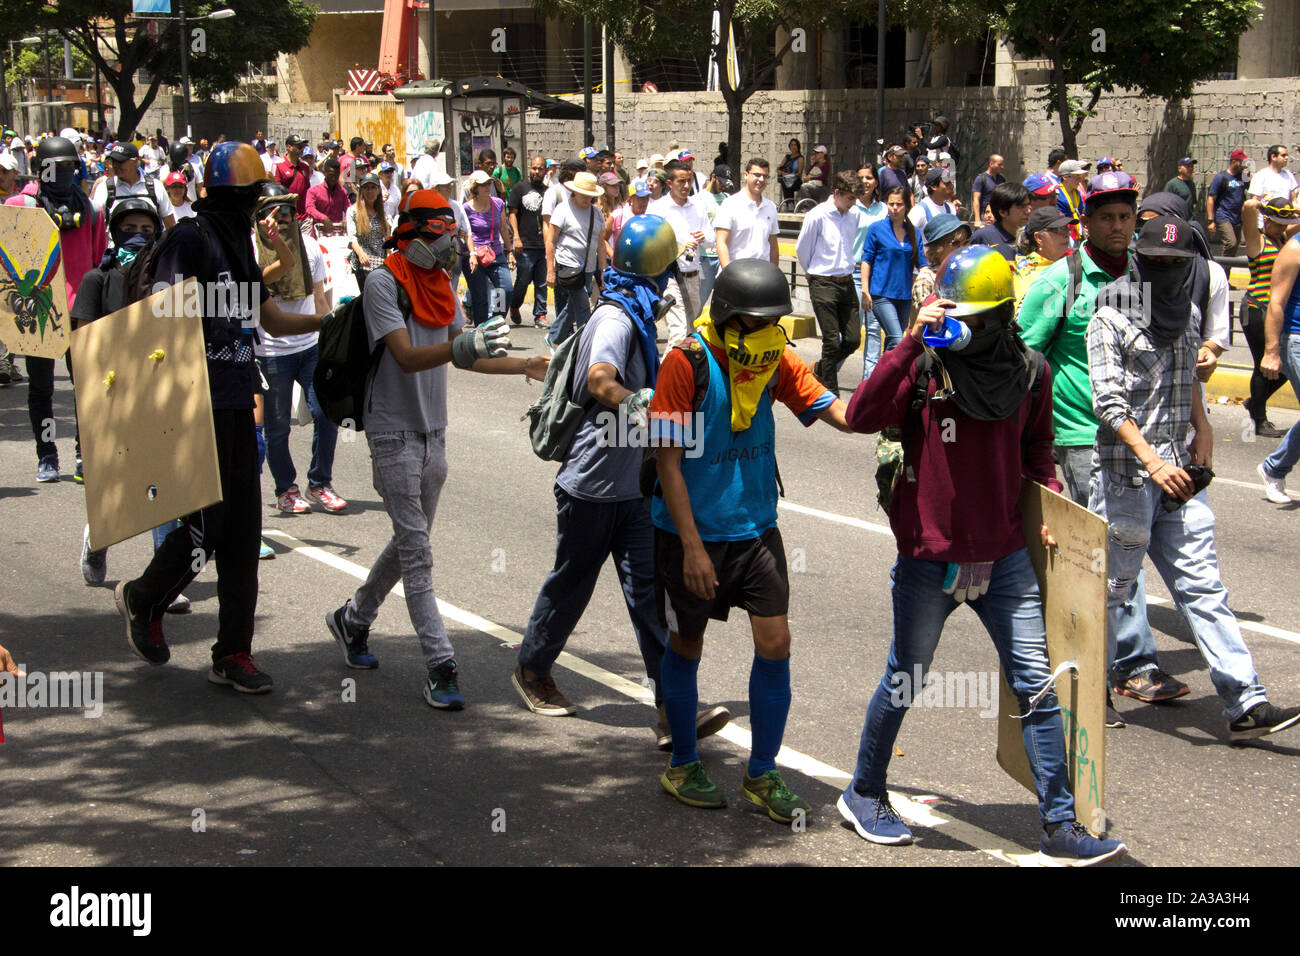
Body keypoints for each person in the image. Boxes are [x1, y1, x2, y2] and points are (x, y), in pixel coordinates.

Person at [837, 244, 1127, 865]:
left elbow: (1038, 456)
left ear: (999, 316)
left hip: (1005, 560)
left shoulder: (1030, 373)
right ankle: (863, 792)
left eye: (970, 315)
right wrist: (911, 341)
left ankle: (1060, 824)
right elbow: (860, 416)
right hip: (929, 558)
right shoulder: (926, 365)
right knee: (906, 678)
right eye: (949, 313)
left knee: (1037, 685)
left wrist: (1047, 505)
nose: (957, 327)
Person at [113, 142, 333, 692]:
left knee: (242, 532)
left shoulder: (239, 243)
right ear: (223, 196)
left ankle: (234, 652)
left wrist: (332, 322)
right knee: (207, 524)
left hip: (237, 398)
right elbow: (158, 318)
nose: (252, 205)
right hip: (193, 402)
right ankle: (144, 596)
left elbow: (273, 323)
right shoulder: (189, 239)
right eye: (246, 196)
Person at [514, 213, 732, 748]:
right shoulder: (614, 319)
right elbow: (598, 379)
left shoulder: (636, 310)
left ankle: (670, 710)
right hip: (591, 485)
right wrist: (633, 400)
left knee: (649, 599)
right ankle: (532, 667)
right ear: (656, 270)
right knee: (572, 584)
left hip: (635, 489)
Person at [324, 189, 547, 707]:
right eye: (441, 233)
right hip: (391, 431)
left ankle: (353, 618)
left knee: (411, 543)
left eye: (453, 233)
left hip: (433, 431)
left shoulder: (442, 283)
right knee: (419, 553)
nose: (450, 244)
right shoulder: (384, 281)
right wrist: (459, 346)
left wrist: (523, 365)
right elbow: (404, 356)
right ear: (415, 234)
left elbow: (464, 354)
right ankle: (441, 664)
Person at [649, 257, 852, 820]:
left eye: (774, 322)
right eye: (757, 321)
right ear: (730, 317)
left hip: (757, 530)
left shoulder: (773, 358)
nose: (769, 332)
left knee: (776, 643)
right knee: (686, 644)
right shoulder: (686, 361)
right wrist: (691, 546)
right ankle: (683, 762)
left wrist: (888, 409)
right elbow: (666, 460)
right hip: (691, 535)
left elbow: (833, 408)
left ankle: (762, 775)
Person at [1088, 215, 1300, 742]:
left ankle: (1245, 700)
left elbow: (1186, 378)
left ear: (1189, 269)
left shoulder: (1183, 314)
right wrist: (1152, 462)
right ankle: (1087, 691)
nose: (1164, 272)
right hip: (1127, 482)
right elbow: (1109, 403)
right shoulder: (1109, 317)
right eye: (1153, 263)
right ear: (1139, 263)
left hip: (1178, 479)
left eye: (1174, 265)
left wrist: (1202, 428)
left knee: (1204, 589)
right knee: (1113, 592)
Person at [1017, 171, 1166, 724]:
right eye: (1106, 217)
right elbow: (1024, 358)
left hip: (1137, 436)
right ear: (1087, 222)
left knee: (1125, 549)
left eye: (1127, 216)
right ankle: (1095, 672)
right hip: (1078, 436)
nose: (1119, 226)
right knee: (1097, 557)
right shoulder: (1059, 281)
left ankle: (1125, 663)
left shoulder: (1144, 275)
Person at [6, 135, 108, 482]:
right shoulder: (22, 205)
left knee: (86, 388)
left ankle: (84, 454)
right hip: (37, 310)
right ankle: (47, 453)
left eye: (70, 166)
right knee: (41, 389)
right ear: (41, 170)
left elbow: (97, 262)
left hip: (80, 312)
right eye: (57, 167)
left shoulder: (91, 210)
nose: (65, 173)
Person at [253, 183, 347, 516]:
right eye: (271, 213)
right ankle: (286, 489)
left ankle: (320, 482)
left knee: (326, 413)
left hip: (310, 346)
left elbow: (320, 298)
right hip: (271, 351)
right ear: (259, 217)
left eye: (287, 212)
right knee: (278, 427)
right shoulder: (250, 250)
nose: (280, 219)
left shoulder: (310, 248)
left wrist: (329, 336)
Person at [796, 171, 866, 393]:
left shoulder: (853, 215)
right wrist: (812, 273)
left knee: (854, 338)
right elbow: (802, 248)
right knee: (831, 340)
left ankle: (821, 368)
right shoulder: (817, 215)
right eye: (850, 198)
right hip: (823, 281)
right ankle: (830, 391)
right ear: (837, 193)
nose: (854, 203)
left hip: (846, 282)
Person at [1240, 197, 1300, 441]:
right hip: (1257, 308)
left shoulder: (1285, 238)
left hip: (1276, 311)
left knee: (1284, 368)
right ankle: (1258, 419)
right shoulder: (1258, 240)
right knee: (1263, 363)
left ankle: (1255, 402)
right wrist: (1263, 203)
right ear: (1268, 219)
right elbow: (1247, 208)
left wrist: (1291, 211)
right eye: (1278, 221)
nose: (1283, 226)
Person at [1258, 200, 1300, 503]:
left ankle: (1274, 467)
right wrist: (1271, 351)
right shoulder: (1294, 249)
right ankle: (1274, 468)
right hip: (1296, 338)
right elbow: (1275, 303)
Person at [648, 160, 713, 348]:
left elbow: (711, 238)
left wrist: (704, 236)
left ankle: (684, 374)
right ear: (669, 183)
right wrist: (680, 246)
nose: (686, 186)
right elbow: (652, 243)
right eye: (681, 181)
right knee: (677, 332)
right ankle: (666, 375)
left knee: (691, 333)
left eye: (689, 181)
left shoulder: (697, 206)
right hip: (669, 277)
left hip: (693, 275)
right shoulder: (658, 209)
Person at [859, 186, 918, 381]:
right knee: (895, 338)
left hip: (904, 296)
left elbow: (923, 263)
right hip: (881, 294)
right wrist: (865, 291)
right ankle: (888, 381)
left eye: (898, 204)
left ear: (906, 206)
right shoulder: (877, 229)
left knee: (893, 344)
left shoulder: (914, 232)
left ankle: (880, 380)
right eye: (890, 204)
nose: (894, 208)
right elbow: (866, 260)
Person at [546, 169, 606, 346]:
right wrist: (550, 270)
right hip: (567, 266)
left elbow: (601, 243)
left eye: (590, 195)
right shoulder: (562, 210)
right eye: (583, 194)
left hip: (588, 267)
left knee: (573, 304)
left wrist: (602, 270)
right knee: (581, 305)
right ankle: (585, 344)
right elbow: (550, 241)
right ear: (575, 191)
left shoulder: (597, 213)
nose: (587, 198)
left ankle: (554, 336)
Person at [462, 168, 513, 327]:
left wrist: (510, 252)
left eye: (488, 183)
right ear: (474, 188)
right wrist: (471, 253)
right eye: (483, 184)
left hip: (495, 253)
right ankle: (481, 332)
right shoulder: (466, 208)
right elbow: (465, 234)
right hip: (474, 256)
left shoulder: (498, 204)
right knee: (481, 297)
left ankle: (495, 322)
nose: (487, 186)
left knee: (505, 290)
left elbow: (503, 228)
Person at [714, 158, 780, 269]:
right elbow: (721, 242)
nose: (761, 179)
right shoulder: (730, 204)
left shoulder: (771, 207)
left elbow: (773, 245)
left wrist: (774, 273)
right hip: (736, 275)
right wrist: (730, 273)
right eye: (757, 175)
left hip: (762, 276)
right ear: (746, 175)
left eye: (765, 176)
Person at [92, 142, 175, 229]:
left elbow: (170, 225)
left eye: (120, 161)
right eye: (113, 161)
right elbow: (94, 225)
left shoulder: (156, 187)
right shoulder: (104, 188)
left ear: (135, 161)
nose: (115, 165)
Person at [508, 154, 550, 328]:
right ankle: (514, 304)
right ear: (530, 169)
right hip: (524, 244)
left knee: (541, 281)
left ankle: (540, 315)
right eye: (534, 168)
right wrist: (516, 237)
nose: (537, 171)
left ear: (545, 171)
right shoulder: (520, 188)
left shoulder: (548, 192)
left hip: (542, 244)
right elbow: (512, 214)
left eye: (540, 168)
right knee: (523, 280)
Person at [1013, 207, 1074, 306]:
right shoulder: (1031, 273)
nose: (1066, 234)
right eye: (1058, 230)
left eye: (1067, 228)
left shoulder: (1063, 262)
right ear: (1039, 238)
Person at [910, 213, 969, 311]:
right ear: (938, 248)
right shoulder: (926, 279)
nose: (962, 248)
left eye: (965, 243)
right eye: (956, 243)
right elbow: (929, 316)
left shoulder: (969, 272)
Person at [346, 172, 392, 291]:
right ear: (361, 191)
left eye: (372, 187)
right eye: (366, 188)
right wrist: (361, 254)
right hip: (363, 262)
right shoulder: (353, 211)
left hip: (381, 261)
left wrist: (388, 253)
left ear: (378, 190)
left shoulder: (382, 212)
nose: (369, 191)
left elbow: (387, 236)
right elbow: (352, 238)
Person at [970, 182, 1031, 260]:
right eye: (1021, 206)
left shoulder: (1033, 237)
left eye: (1028, 205)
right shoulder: (982, 237)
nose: (1028, 211)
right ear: (1003, 212)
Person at [697, 165, 731, 304]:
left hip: (724, 255)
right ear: (713, 177)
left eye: (726, 183)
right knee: (699, 300)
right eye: (721, 182)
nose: (724, 186)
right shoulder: (699, 199)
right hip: (706, 256)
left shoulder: (728, 199)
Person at [1207, 149, 1249, 256]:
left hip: (1237, 217)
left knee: (1235, 246)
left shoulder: (1242, 177)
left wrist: (1248, 174)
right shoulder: (1221, 177)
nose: (1243, 165)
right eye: (1241, 162)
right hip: (1224, 215)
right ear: (1234, 161)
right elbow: (1211, 198)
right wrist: (1211, 220)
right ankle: (1222, 269)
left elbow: (1251, 189)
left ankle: (1226, 271)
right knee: (1231, 243)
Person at [906, 167, 959, 246]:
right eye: (947, 183)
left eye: (951, 182)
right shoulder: (919, 210)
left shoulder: (951, 209)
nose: (951, 186)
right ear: (934, 186)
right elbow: (906, 236)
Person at [305, 156, 351, 234]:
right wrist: (323, 218)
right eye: (331, 175)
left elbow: (349, 208)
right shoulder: (313, 191)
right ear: (324, 172)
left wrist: (346, 219)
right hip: (319, 234)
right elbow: (309, 208)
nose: (333, 178)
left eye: (336, 175)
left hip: (337, 234)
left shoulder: (343, 192)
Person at [275, 134, 314, 220]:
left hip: (305, 217)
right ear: (289, 147)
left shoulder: (305, 167)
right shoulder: (279, 166)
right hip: (288, 217)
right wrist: (284, 214)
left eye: (303, 147)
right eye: (299, 146)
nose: (302, 149)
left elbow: (307, 190)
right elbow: (277, 194)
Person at [972, 154, 1005, 224]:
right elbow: (976, 200)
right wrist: (977, 219)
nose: (1002, 167)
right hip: (985, 217)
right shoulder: (981, 179)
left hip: (998, 216)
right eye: (999, 165)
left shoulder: (1002, 179)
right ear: (991, 164)